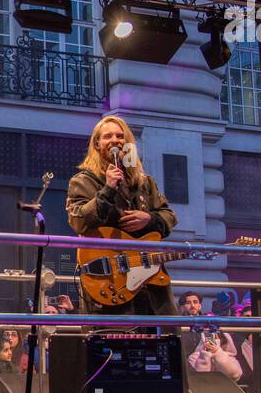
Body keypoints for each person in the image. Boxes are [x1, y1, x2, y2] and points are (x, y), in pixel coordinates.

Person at [66, 114, 179, 325]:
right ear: (97, 144)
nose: (115, 140)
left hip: (150, 277)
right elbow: (79, 221)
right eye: (108, 136)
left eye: (120, 136)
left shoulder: (144, 183)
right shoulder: (83, 181)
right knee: (116, 343)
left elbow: (169, 216)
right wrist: (107, 190)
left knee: (165, 341)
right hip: (110, 277)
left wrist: (150, 218)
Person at [178, 289, 241, 380]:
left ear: (200, 306)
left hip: (208, 373)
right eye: (188, 303)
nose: (192, 306)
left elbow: (212, 348)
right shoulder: (178, 326)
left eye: (195, 302)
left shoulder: (208, 325)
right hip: (185, 371)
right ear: (182, 307)